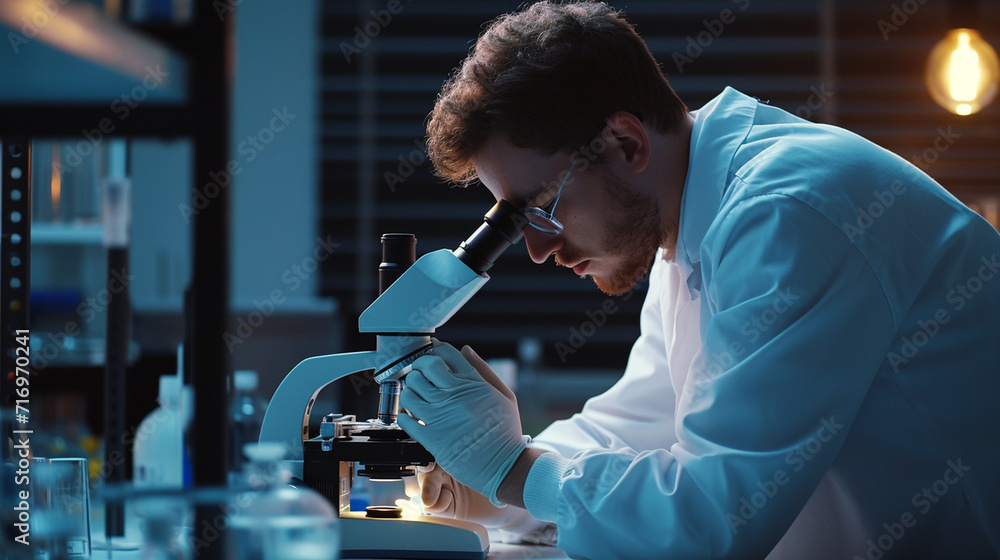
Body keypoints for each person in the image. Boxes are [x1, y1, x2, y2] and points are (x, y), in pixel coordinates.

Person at [394, 2, 1000, 558]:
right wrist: (489, 483)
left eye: (540, 210)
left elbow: (711, 522)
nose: (536, 249)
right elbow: (632, 427)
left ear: (627, 143)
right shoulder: (689, 228)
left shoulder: (784, 212)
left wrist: (513, 470)